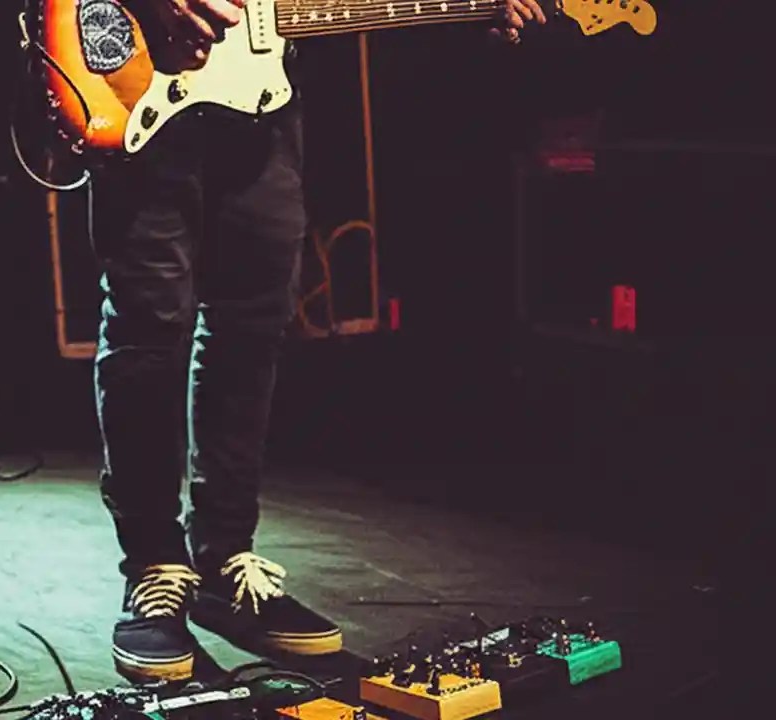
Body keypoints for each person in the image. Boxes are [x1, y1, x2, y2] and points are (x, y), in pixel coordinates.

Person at [90, 0, 547, 683]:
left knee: (250, 327)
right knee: (148, 328)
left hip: (263, 109)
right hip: (140, 87)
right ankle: (155, 567)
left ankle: (222, 563)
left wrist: (463, 10)